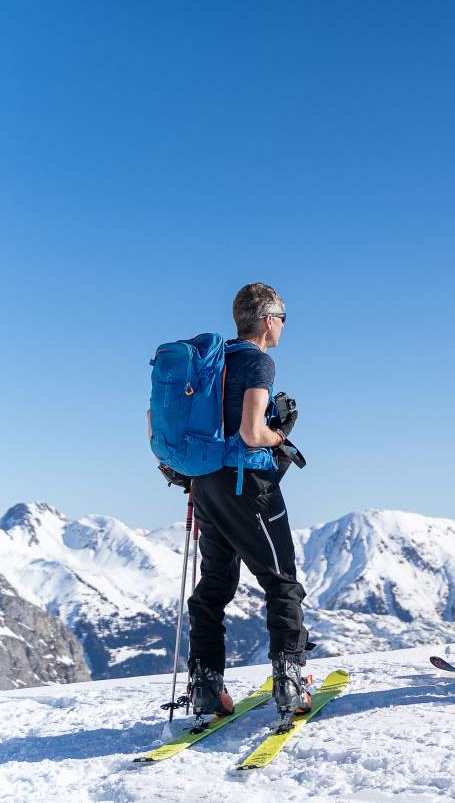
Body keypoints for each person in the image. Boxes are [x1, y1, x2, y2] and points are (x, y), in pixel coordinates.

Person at [185, 282, 312, 722]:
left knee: (215, 586)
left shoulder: (209, 364)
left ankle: (205, 686)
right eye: (282, 318)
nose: (282, 327)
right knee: (281, 580)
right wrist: (282, 434)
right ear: (267, 319)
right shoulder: (258, 361)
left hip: (205, 484)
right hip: (248, 484)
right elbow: (251, 432)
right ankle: (291, 681)